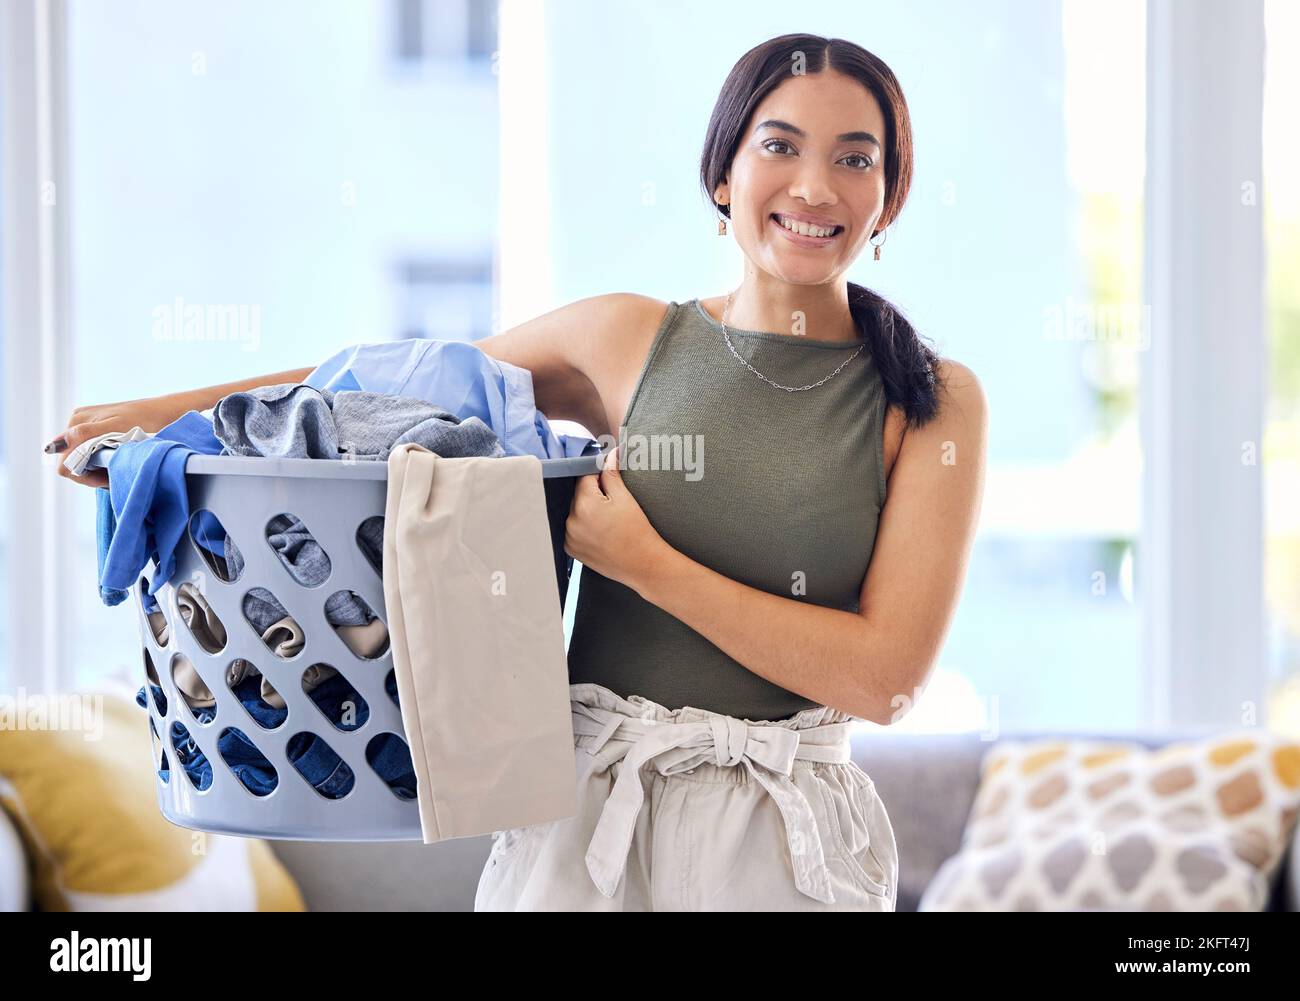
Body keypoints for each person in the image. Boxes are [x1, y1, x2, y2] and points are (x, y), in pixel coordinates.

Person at [48, 33, 986, 911]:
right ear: (723, 173)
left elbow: (886, 678)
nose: (815, 186)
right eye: (780, 145)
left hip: (784, 846)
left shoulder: (932, 399)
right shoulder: (627, 339)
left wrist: (644, 563)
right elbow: (377, 388)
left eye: (856, 158)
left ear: (890, 198)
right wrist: (163, 417)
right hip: (588, 823)